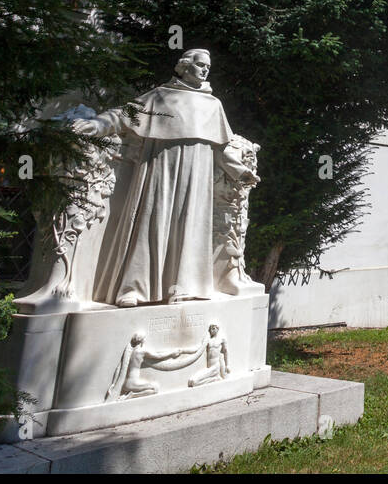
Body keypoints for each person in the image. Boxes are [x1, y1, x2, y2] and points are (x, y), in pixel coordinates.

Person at [74, 49, 258, 306]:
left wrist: (240, 171)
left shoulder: (213, 105)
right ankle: (135, 288)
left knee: (191, 226)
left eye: (208, 67)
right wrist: (96, 125)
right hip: (161, 168)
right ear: (185, 66)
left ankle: (184, 285)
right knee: (152, 221)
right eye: (200, 65)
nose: (205, 70)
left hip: (197, 175)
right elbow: (123, 115)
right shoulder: (161, 97)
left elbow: (221, 148)